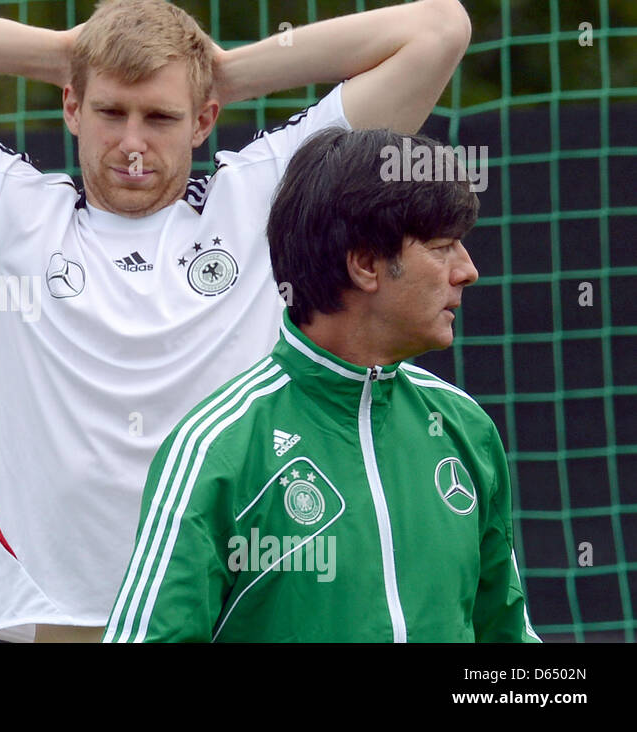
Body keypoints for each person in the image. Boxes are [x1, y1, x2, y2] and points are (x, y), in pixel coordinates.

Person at [0, 0, 472, 641]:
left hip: (232, 613)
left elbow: (439, 29)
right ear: (71, 107)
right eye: (110, 111)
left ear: (204, 119)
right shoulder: (8, 212)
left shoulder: (260, 199)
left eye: (160, 116)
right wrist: (63, 53)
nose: (132, 142)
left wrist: (234, 68)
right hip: (69, 621)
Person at [105, 128, 540, 642]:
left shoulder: (463, 426)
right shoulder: (217, 448)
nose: (468, 270)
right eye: (442, 246)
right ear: (364, 264)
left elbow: (506, 637)